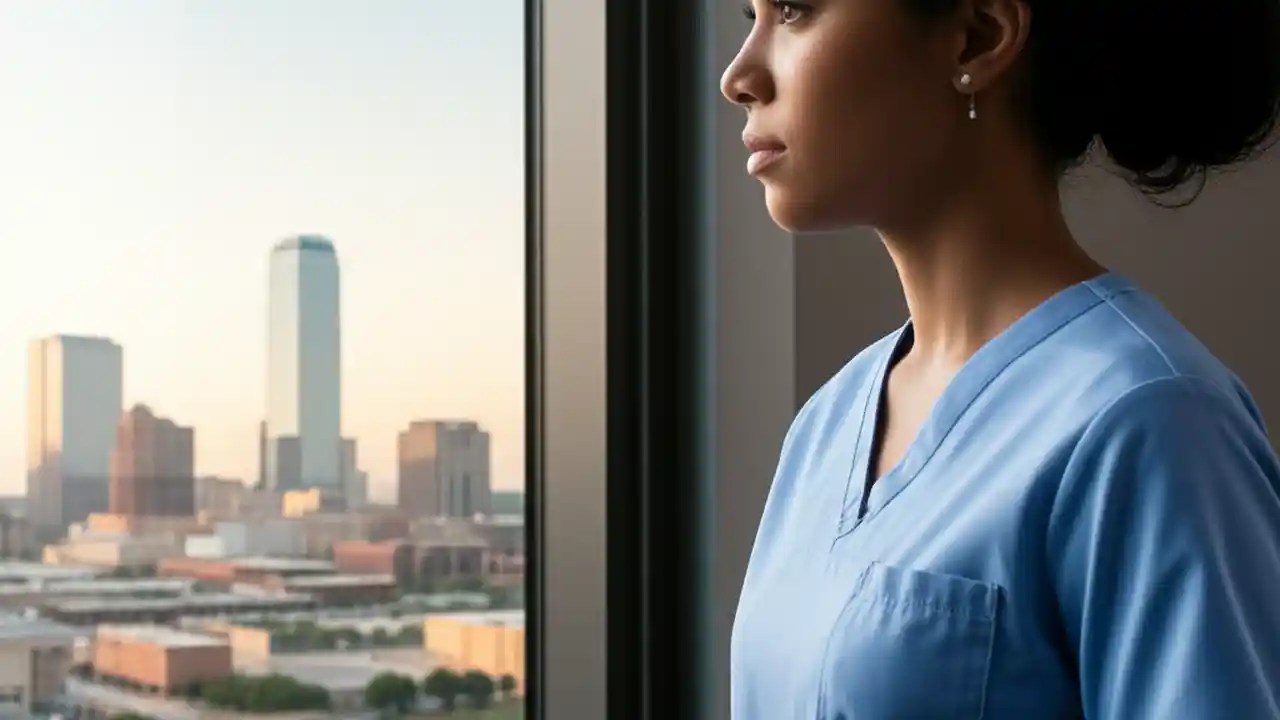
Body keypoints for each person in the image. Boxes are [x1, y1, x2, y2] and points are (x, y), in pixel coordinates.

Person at [720, 0, 1280, 717]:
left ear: (977, 36)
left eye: (794, 12)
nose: (740, 75)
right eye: (752, 16)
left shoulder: (1150, 420)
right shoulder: (824, 427)